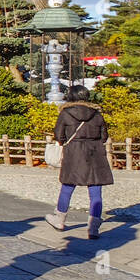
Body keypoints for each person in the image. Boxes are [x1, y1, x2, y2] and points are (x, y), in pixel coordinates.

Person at [48, 86, 113, 239]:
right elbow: (104, 136)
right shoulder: (96, 114)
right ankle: (93, 227)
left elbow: (59, 135)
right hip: (95, 153)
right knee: (95, 190)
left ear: (70, 96)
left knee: (67, 186)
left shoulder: (65, 113)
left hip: (74, 152)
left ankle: (60, 219)